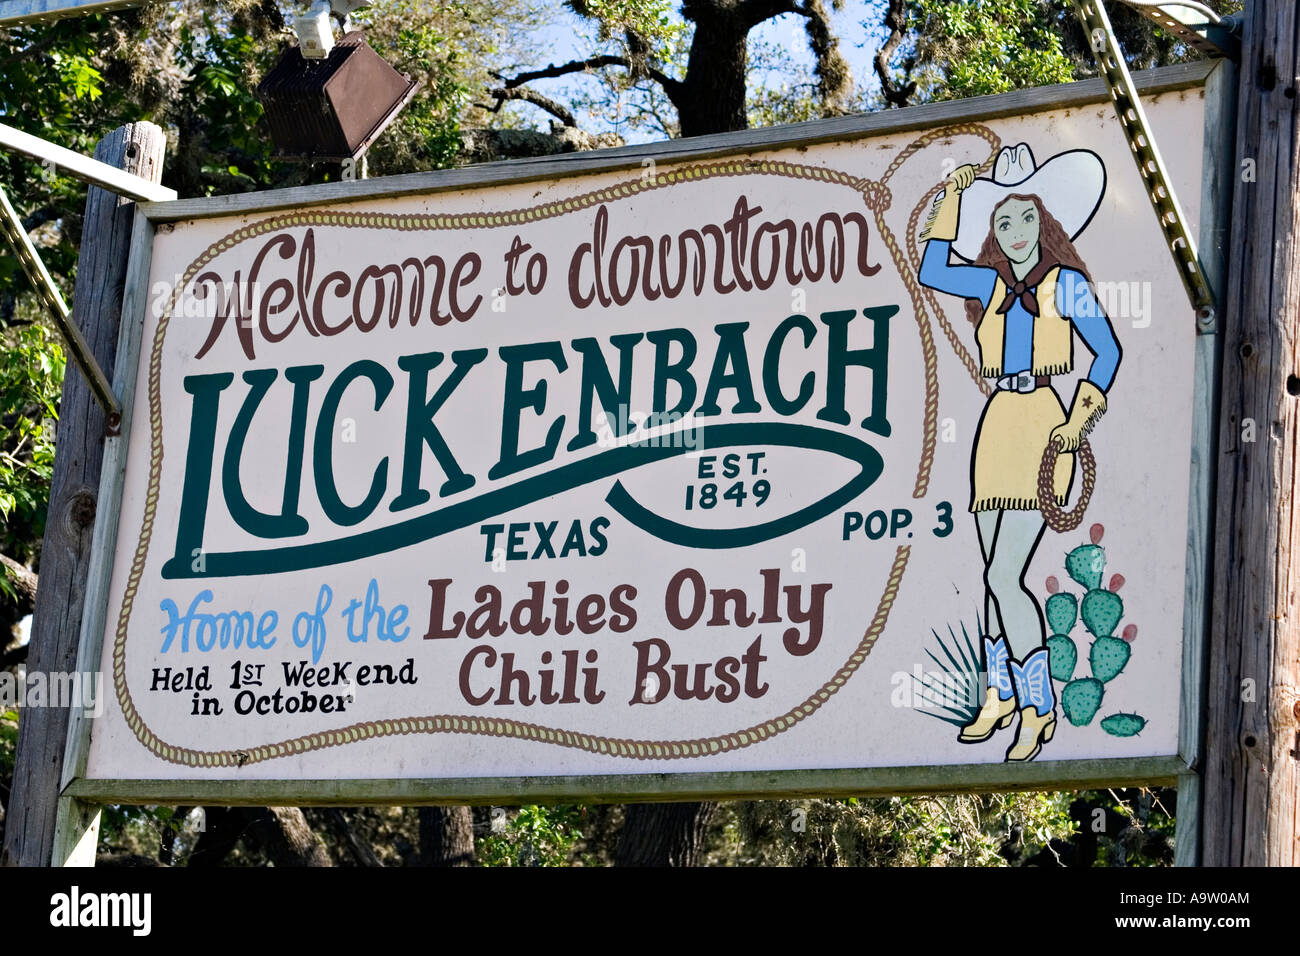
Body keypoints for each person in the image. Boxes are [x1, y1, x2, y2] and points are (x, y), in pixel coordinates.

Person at [917, 143, 1121, 762]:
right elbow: (931, 268)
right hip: (996, 420)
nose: (1014, 231)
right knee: (989, 578)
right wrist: (951, 197)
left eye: (1024, 218)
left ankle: (1041, 707)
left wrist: (1078, 422)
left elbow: (1107, 353)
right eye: (1002, 222)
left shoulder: (1066, 285)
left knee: (1006, 574)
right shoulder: (987, 283)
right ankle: (1000, 694)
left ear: (1045, 220)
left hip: (1044, 419)